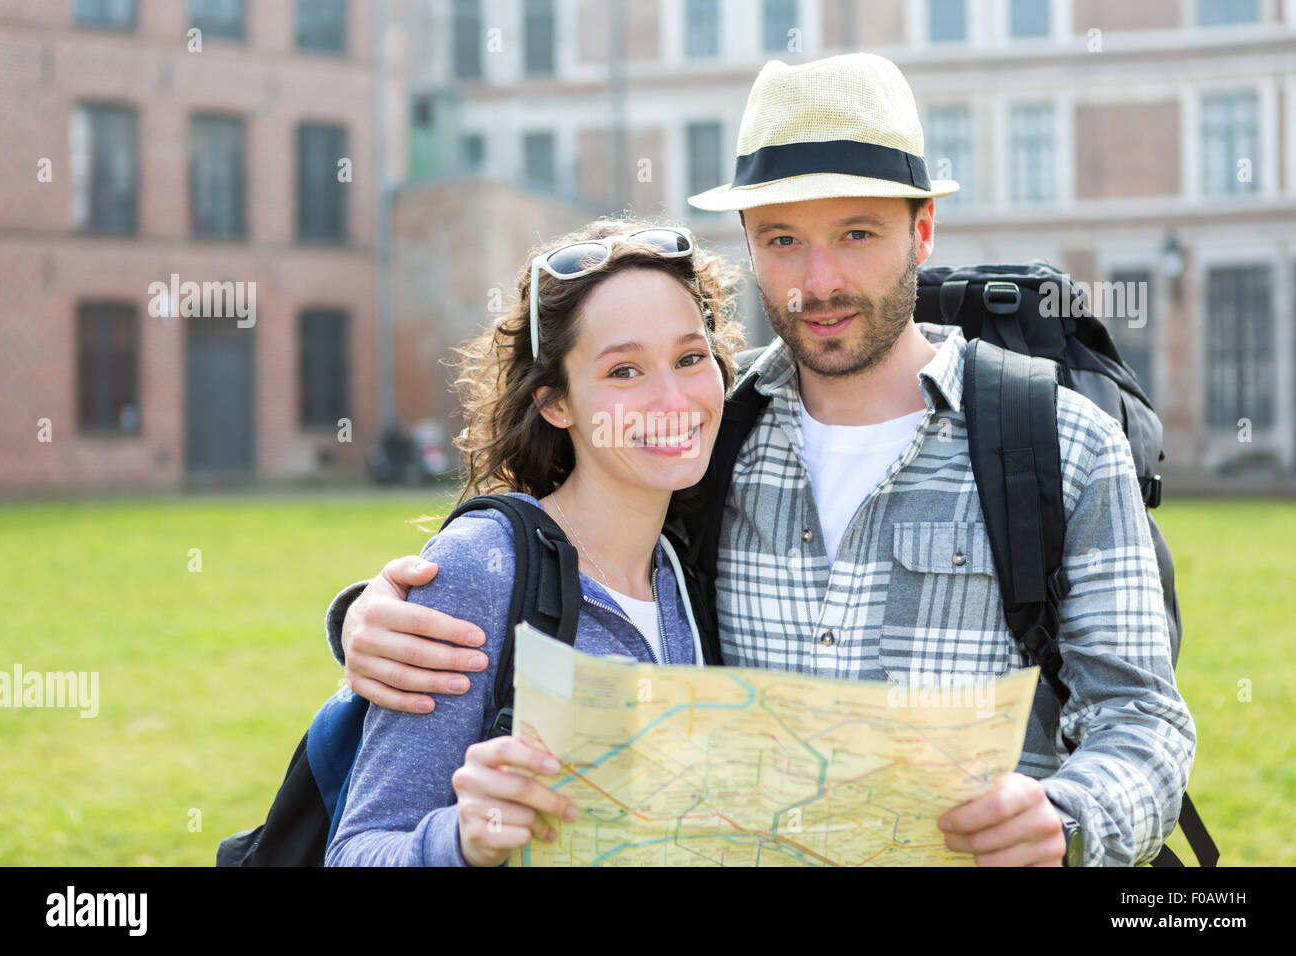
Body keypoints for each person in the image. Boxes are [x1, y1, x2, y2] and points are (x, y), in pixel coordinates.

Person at [325, 53, 1195, 867]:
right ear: (748, 242)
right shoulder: (716, 438)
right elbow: (559, 550)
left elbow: (1143, 721)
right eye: (782, 240)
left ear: (922, 230)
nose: (816, 282)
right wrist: (372, 618)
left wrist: (1070, 821)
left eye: (856, 234)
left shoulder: (1059, 442)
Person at [325, 219, 745, 866]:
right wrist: (461, 839)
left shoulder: (691, 567)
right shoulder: (480, 569)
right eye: (624, 371)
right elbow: (356, 850)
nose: (672, 399)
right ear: (556, 402)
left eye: (690, 359)